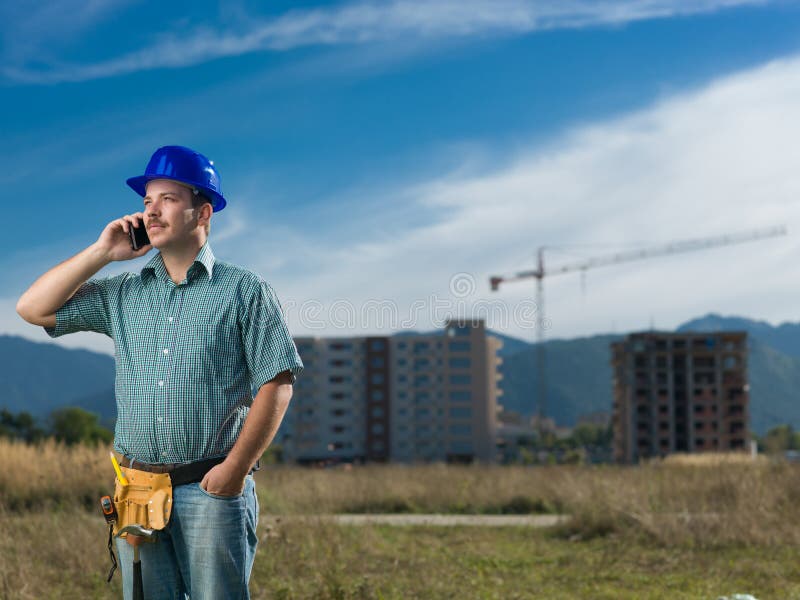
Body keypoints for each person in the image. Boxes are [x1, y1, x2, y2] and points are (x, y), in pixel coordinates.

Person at [16, 145, 304, 599]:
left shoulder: (244, 290)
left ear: (202, 211)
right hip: (136, 489)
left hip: (212, 488)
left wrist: (235, 469)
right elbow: (31, 309)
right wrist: (101, 252)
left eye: (167, 199)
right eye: (147, 201)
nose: (151, 211)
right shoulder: (121, 294)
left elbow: (278, 382)